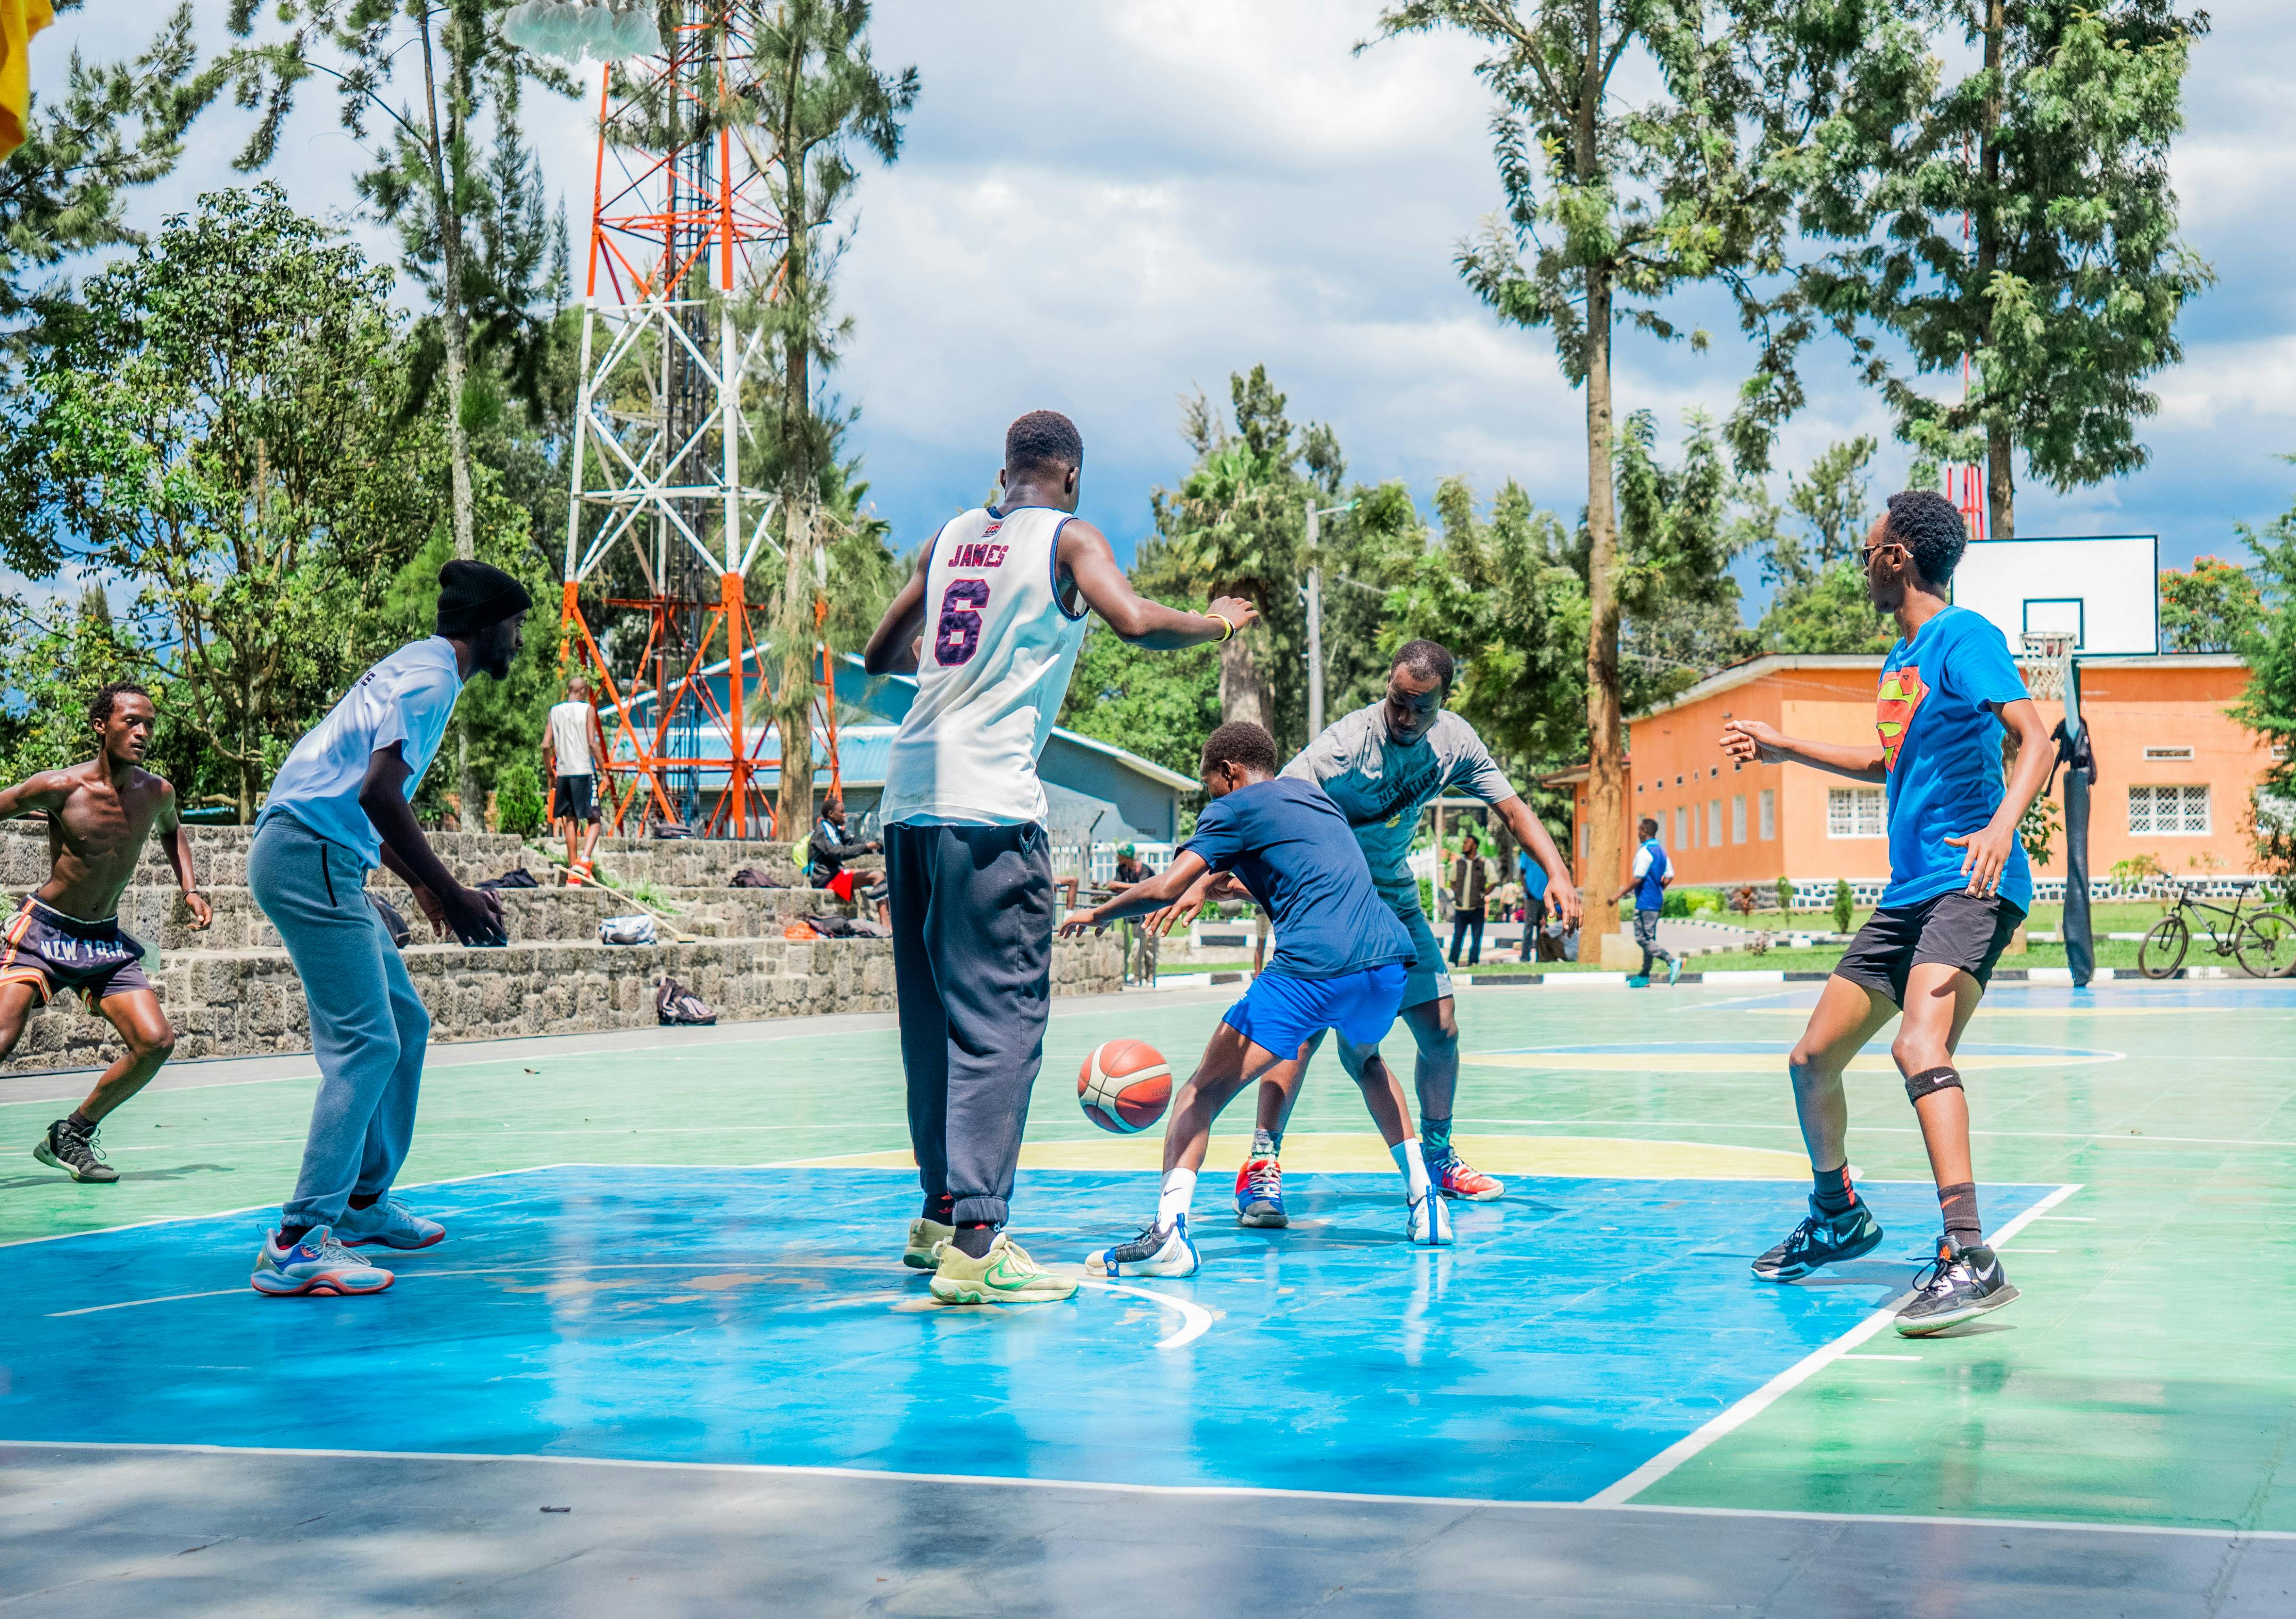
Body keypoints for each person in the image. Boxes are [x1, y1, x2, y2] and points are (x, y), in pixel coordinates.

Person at [862, 408, 1256, 1306]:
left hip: (908, 801)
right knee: (1000, 1022)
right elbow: (1133, 618)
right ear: (1070, 477)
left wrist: (954, 658)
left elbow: (885, 651)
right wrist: (1215, 624)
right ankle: (977, 1244)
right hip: (989, 806)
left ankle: (937, 1214)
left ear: (1005, 471)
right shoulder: (1069, 537)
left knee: (932, 1020)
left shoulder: (950, 536)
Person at [1720, 490, 2054, 1337]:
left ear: (1897, 557)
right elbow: (1886, 757)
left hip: (1970, 881)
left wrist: (1996, 826)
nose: (1862, 561)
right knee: (1810, 1058)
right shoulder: (1900, 660)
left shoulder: (1960, 636)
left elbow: (2036, 731)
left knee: (1916, 1043)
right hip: (1907, 890)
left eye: (1867, 549)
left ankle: (1967, 1253)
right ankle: (1836, 1215)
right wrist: (1782, 744)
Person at [1172, 641, 1581, 1227]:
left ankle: (1437, 1159)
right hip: (1325, 901)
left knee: (1441, 1030)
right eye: (1396, 701)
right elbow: (1265, 808)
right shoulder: (1344, 747)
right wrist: (1206, 876)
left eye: (1420, 706)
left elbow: (1512, 810)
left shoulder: (1456, 743)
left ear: (1443, 701)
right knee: (1302, 1035)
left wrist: (1559, 874)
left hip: (1391, 897)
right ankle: (1262, 1165)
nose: (1405, 717)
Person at [1062, 721, 1447, 1276]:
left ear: (1230, 772)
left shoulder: (1233, 808)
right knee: (1364, 1060)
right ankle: (1425, 1201)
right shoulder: (1314, 799)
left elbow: (1169, 884)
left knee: (1201, 1091)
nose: (1210, 798)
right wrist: (1231, 886)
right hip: (1385, 960)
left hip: (1315, 967)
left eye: (1210, 785)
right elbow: (1307, 882)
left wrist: (1097, 913)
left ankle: (1168, 1235)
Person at [246, 560, 529, 1298]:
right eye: (516, 626)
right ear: (488, 625)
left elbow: (371, 793)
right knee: (366, 1042)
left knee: (403, 1021)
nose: (519, 641)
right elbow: (376, 791)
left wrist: (413, 884)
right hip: (309, 851)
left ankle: (364, 1204)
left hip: (318, 848)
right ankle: (299, 1239)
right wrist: (450, 890)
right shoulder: (434, 678)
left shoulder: (420, 666)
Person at [5, 683, 212, 1183]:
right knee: (3, 1035)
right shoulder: (58, 787)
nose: (142, 733)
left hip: (104, 940)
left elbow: (172, 829)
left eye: (149, 725)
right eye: (131, 723)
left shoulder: (157, 792)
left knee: (155, 1041)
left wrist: (190, 888)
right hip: (44, 932)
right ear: (102, 725)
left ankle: (72, 1134)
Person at [542, 674, 607, 886]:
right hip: (583, 771)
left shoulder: (555, 711)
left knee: (570, 820)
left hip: (564, 772)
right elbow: (592, 742)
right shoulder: (588, 709)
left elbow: (545, 745)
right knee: (595, 819)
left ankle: (573, 874)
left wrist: (551, 774)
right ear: (583, 691)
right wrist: (604, 771)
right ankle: (585, 861)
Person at [1613, 816, 1679, 987]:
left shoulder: (1645, 852)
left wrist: (1618, 895)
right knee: (1650, 939)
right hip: (1656, 900)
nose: (1637, 833)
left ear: (1644, 832)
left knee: (1642, 939)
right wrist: (1659, 888)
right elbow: (1670, 874)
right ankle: (1644, 976)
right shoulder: (1661, 851)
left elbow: (1638, 878)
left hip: (1645, 902)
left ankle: (1671, 961)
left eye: (1638, 830)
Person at [809, 794, 885, 921]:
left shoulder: (835, 830)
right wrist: (866, 847)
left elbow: (854, 842)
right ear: (832, 814)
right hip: (826, 879)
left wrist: (877, 847)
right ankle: (886, 925)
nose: (845, 815)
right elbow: (838, 852)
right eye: (842, 812)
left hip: (836, 874)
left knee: (884, 876)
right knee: (878, 876)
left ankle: (887, 920)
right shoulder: (823, 830)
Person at [1447, 829, 1489, 967]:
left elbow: (1494, 881)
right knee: (1458, 936)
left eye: (1467, 843)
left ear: (1474, 846)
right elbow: (1451, 882)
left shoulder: (1484, 863)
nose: (1464, 845)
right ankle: (1453, 961)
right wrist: (1457, 892)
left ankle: (1473, 961)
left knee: (1477, 937)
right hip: (1461, 908)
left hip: (1477, 908)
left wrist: (1484, 894)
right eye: (1464, 842)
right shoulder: (1459, 863)